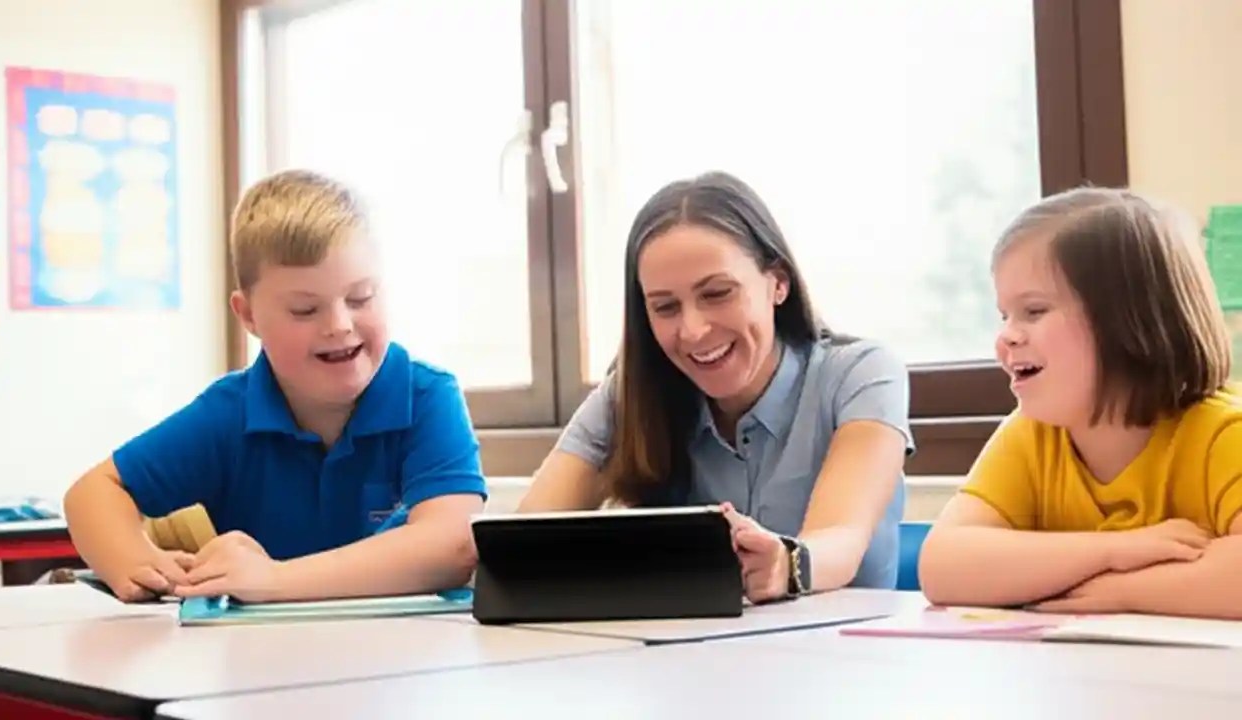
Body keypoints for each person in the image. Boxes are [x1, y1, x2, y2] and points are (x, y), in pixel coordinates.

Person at [64, 169, 486, 603]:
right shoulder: (230, 414)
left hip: (406, 662)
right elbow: (93, 493)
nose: (340, 326)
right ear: (247, 315)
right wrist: (141, 564)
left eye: (361, 298)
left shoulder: (427, 397)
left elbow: (452, 545)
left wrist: (271, 580)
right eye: (305, 310)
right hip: (264, 664)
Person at [518, 171, 913, 601]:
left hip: (840, 657)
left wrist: (785, 562)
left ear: (777, 283)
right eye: (665, 307)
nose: (693, 330)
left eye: (717, 293)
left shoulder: (863, 375)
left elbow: (843, 536)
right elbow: (520, 544)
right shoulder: (629, 397)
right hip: (680, 660)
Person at [918, 187, 1242, 619]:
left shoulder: (1223, 433)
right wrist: (1113, 550)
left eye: (1033, 311)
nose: (1007, 336)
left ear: (1131, 322)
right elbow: (944, 566)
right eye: (1004, 316)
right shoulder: (1030, 434)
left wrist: (1124, 592)